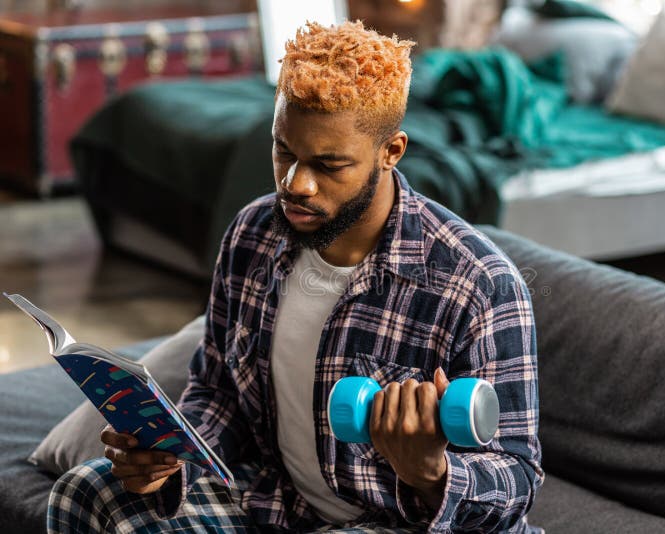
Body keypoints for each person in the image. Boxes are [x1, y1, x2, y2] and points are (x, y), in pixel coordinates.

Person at [47, 20, 543, 533]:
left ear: (390, 152)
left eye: (329, 166)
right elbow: (217, 391)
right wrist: (172, 460)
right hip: (279, 504)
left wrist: (431, 473)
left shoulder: (478, 285)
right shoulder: (253, 234)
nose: (295, 184)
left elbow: (516, 482)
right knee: (86, 492)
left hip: (398, 522)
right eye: (285, 151)